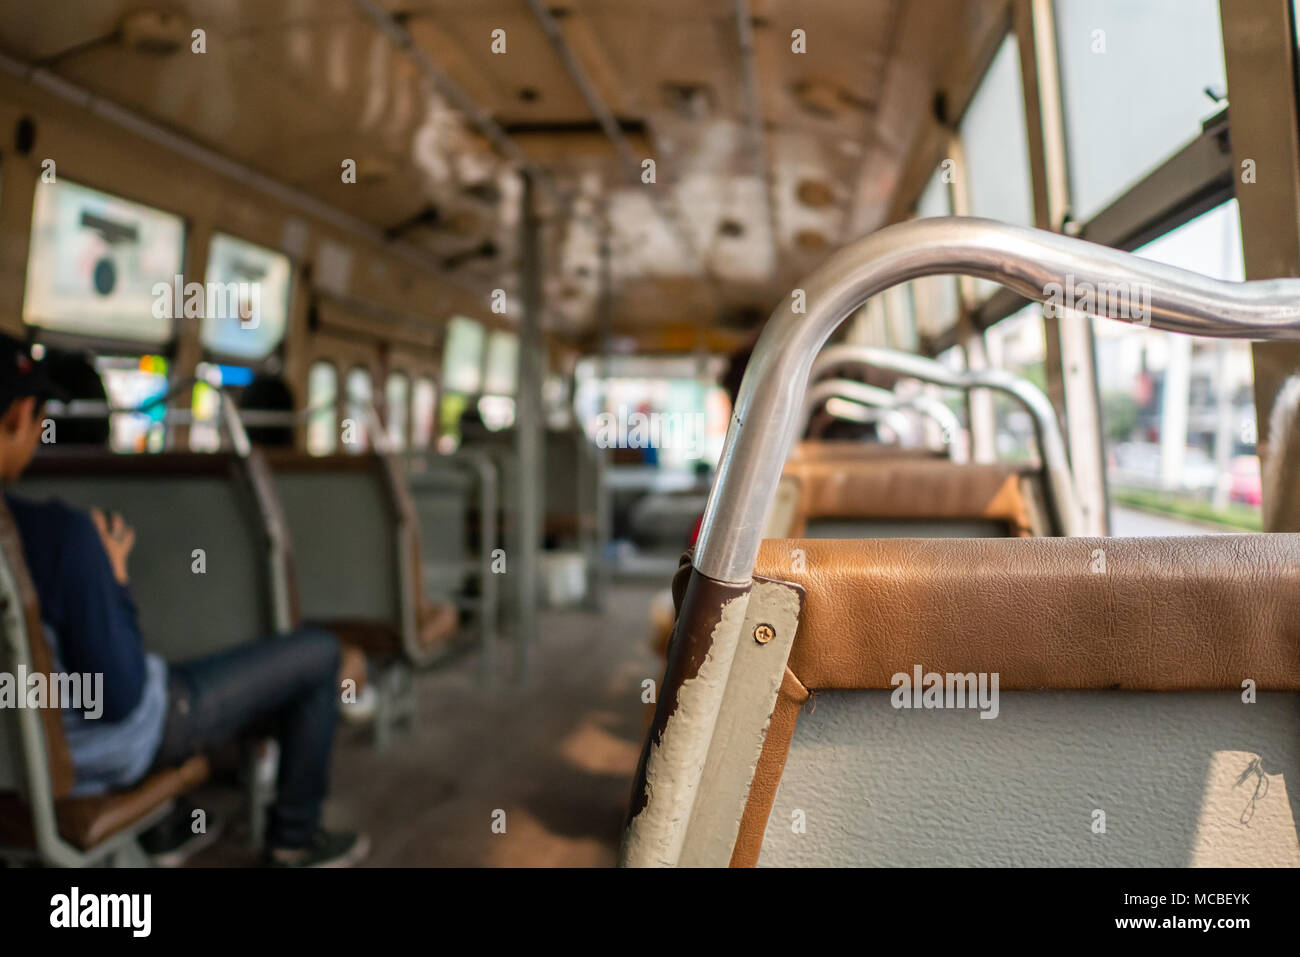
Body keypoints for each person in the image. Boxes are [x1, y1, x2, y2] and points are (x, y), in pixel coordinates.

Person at [0, 334, 367, 867]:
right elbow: (121, 697)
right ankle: (294, 837)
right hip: (97, 749)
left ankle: (172, 824)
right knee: (318, 653)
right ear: (18, 414)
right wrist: (116, 577)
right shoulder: (61, 536)